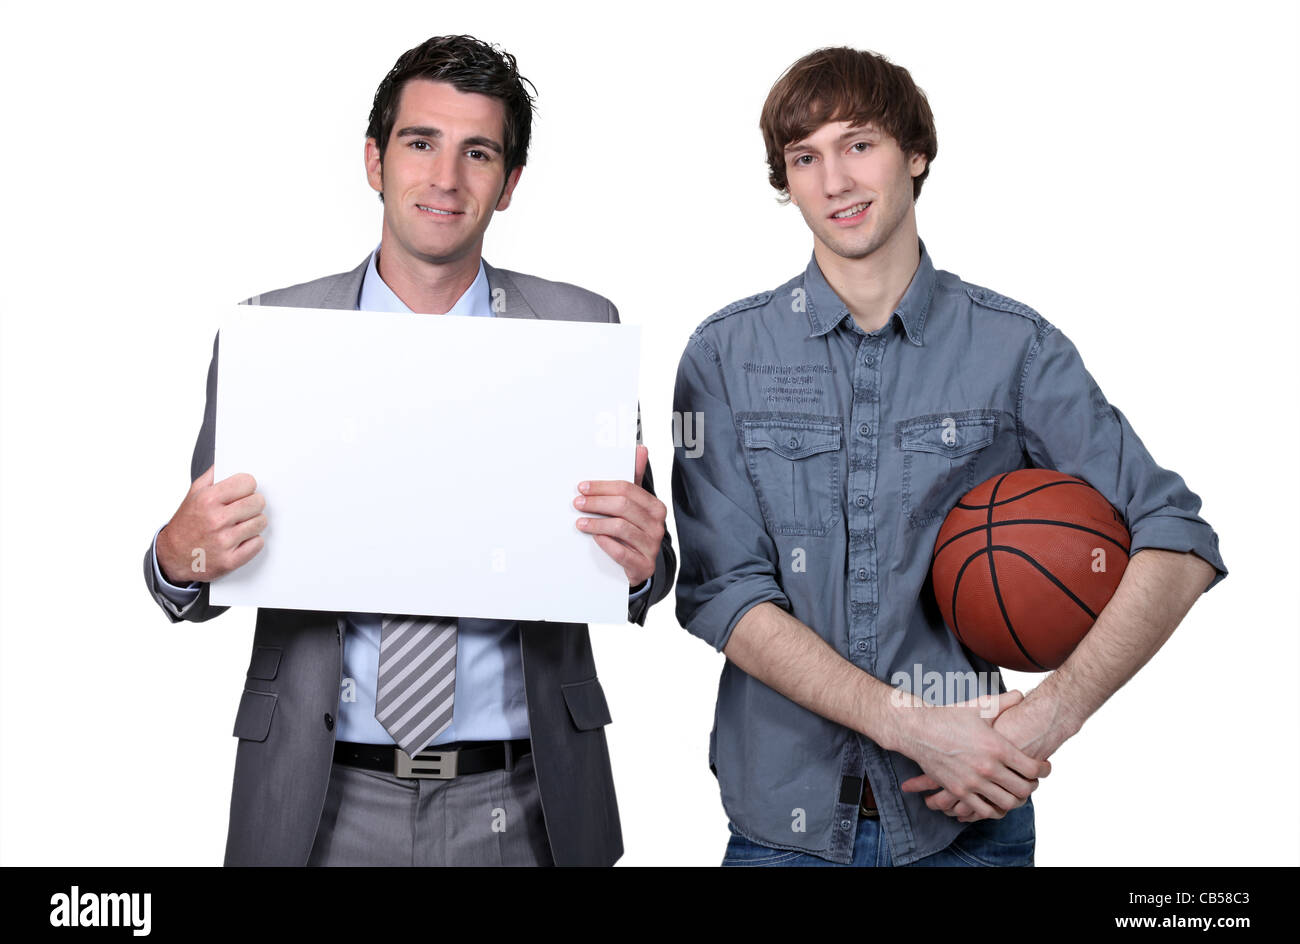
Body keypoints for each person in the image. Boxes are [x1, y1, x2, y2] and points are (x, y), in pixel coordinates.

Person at [670, 46, 1227, 867]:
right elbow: (725, 593)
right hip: (782, 827)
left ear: (915, 152)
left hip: (968, 827)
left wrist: (1045, 719)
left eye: (859, 144)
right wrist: (913, 727)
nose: (834, 182)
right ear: (784, 179)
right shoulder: (723, 355)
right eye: (804, 157)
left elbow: (1177, 538)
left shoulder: (1017, 349)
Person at [143, 34, 676, 866]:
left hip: (523, 799)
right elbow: (200, 575)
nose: (444, 178)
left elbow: (644, 569)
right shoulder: (272, 337)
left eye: (478, 153)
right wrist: (177, 560)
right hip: (316, 799)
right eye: (419, 143)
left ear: (509, 185)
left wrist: (645, 563)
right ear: (373, 160)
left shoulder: (581, 332)